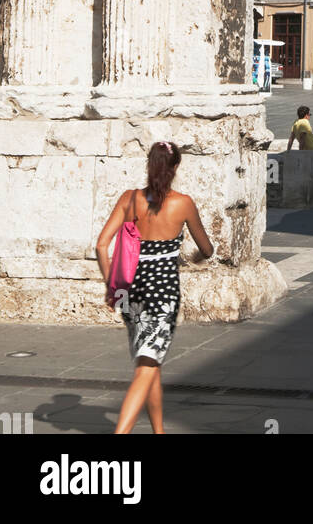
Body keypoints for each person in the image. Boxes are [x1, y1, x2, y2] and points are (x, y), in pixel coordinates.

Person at [96, 140, 214, 434]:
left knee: (150, 361)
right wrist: (193, 259)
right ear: (175, 167)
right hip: (162, 297)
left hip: (130, 293)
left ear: (149, 165)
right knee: (147, 366)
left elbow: (101, 245)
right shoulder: (183, 203)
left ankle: (158, 432)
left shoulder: (129, 198)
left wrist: (113, 289)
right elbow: (207, 249)